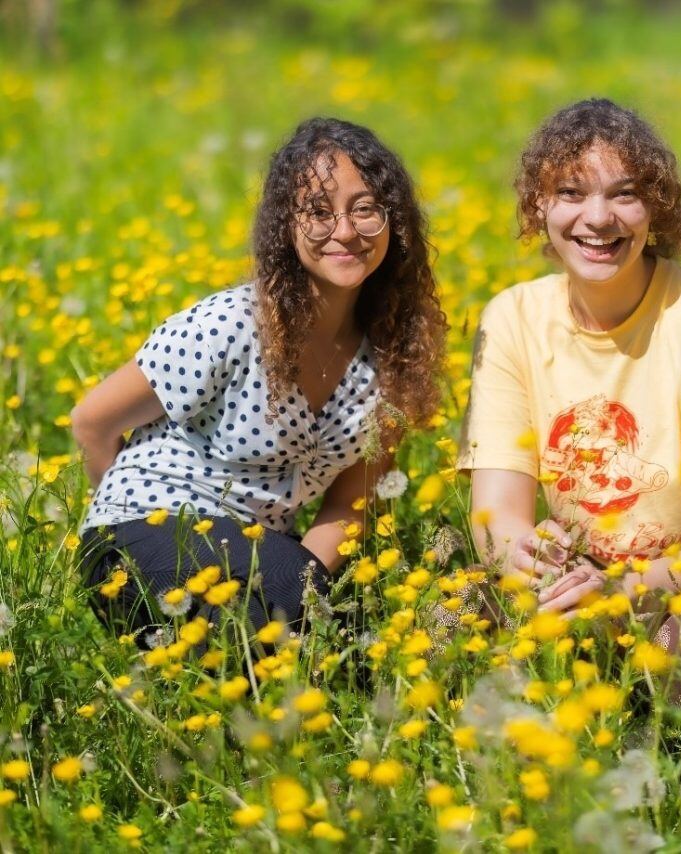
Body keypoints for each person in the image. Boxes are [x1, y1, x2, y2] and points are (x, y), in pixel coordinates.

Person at [458, 98, 681, 712]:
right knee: (444, 627)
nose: (598, 218)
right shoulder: (512, 318)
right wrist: (530, 561)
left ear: (655, 208)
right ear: (539, 205)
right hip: (573, 573)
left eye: (625, 194)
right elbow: (497, 513)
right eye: (571, 192)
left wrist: (618, 592)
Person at [72, 117, 447, 634]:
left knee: (350, 635)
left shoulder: (390, 360)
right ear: (287, 225)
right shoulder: (230, 324)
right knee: (308, 621)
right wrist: (123, 523)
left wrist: (306, 593)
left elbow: (350, 504)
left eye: (365, 209)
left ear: (393, 222)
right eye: (319, 212)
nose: (344, 231)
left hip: (265, 565)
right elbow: (92, 422)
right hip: (149, 532)